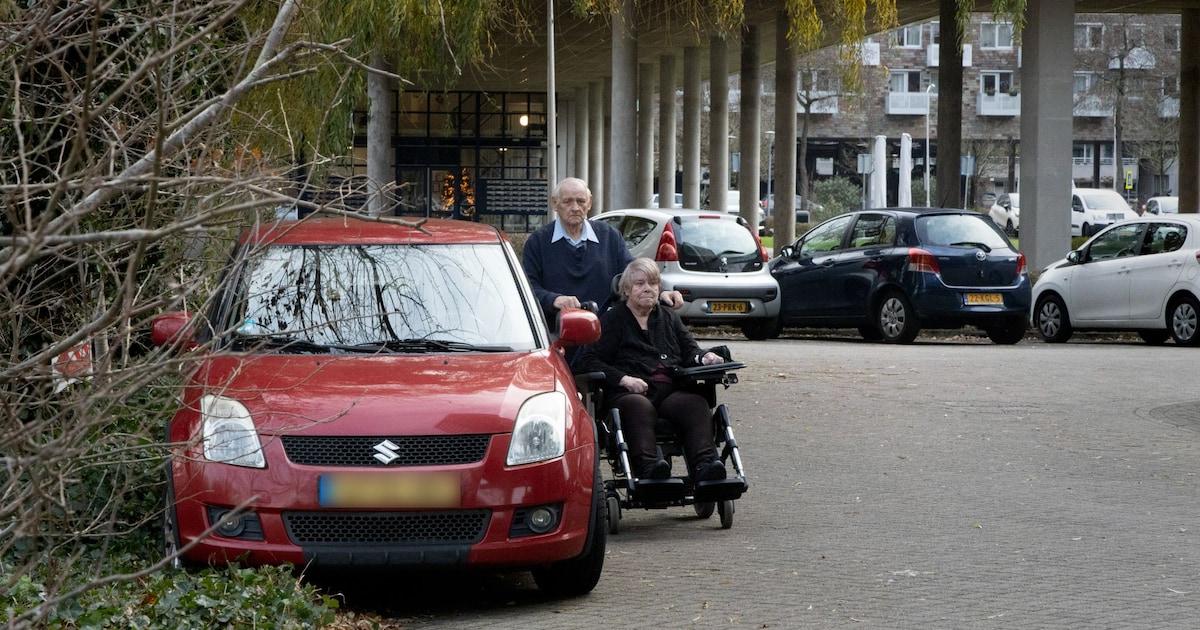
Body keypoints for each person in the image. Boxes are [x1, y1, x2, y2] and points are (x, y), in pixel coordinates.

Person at [574, 258, 727, 483]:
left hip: (669, 389)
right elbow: (588, 360)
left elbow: (689, 349)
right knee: (639, 406)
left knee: (695, 403)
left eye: (653, 283)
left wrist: (705, 357)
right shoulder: (613, 320)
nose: (647, 288)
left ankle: (705, 467)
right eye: (639, 283)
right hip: (629, 393)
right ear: (626, 289)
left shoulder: (668, 317)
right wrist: (624, 379)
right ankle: (649, 468)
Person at [522, 177, 682, 322]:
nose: (575, 207)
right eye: (568, 202)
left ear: (590, 202)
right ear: (555, 204)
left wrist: (662, 292)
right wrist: (553, 300)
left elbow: (633, 274)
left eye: (580, 201)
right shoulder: (538, 242)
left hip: (605, 332)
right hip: (555, 333)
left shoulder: (609, 236)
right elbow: (526, 288)